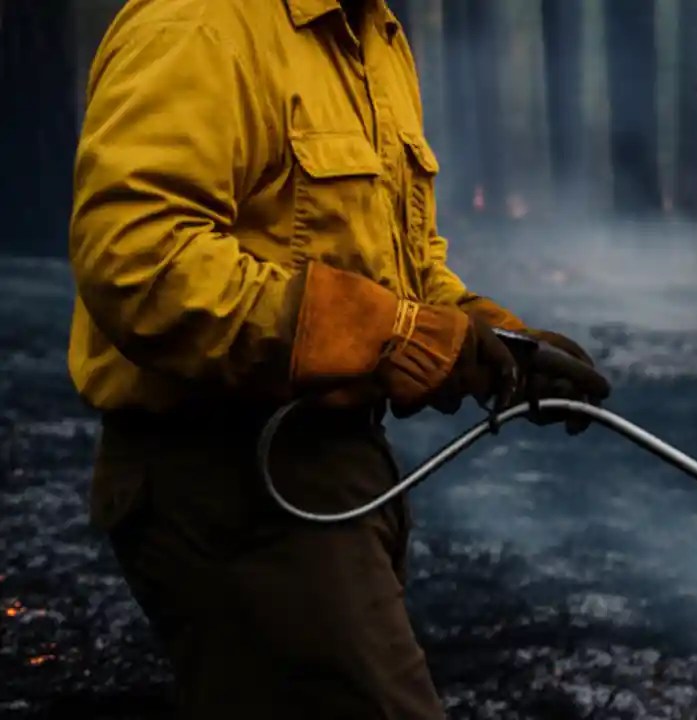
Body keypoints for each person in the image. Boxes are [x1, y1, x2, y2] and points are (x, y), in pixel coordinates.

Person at [67, 0, 608, 717]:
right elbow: (138, 260)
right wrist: (390, 335)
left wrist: (488, 338)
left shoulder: (373, 37)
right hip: (227, 485)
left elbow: (399, 266)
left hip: (330, 478)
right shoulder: (200, 23)